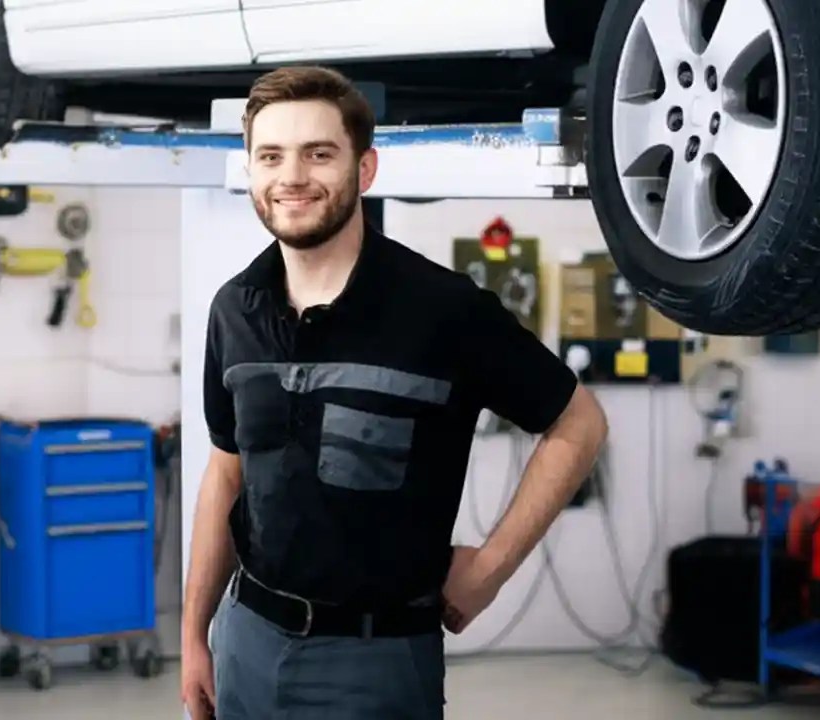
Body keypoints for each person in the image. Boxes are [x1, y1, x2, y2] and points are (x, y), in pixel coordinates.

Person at [180, 65, 609, 719]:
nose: (291, 176)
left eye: (318, 154)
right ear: (251, 171)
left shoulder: (442, 310)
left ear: (365, 169)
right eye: (271, 156)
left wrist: (490, 569)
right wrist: (194, 637)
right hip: (247, 641)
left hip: (375, 662)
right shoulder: (233, 309)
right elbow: (225, 473)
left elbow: (579, 424)